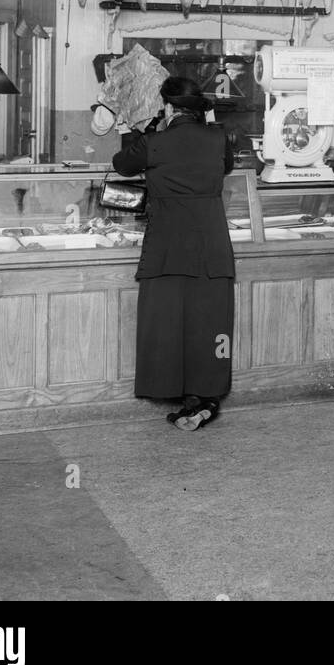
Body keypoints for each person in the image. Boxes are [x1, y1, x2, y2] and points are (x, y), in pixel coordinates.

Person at [112, 76, 235, 431]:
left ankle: (171, 389)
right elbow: (226, 166)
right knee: (210, 323)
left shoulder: (155, 143)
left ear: (167, 107)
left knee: (164, 321)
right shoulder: (217, 139)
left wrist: (150, 127)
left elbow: (122, 163)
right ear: (199, 110)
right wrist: (211, 124)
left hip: (166, 244)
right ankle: (205, 396)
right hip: (211, 245)